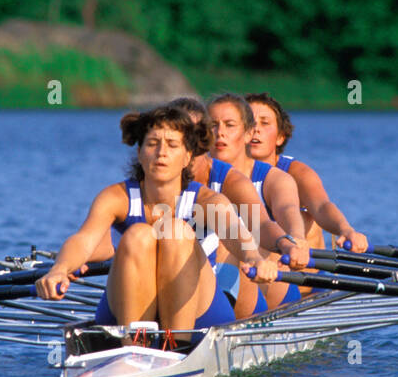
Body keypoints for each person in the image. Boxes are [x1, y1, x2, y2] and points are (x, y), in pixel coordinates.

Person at [35, 104, 278, 341]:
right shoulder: (116, 197)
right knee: (139, 234)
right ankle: (134, 346)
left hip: (200, 315)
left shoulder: (207, 200)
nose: (162, 152)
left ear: (187, 157)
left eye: (172, 145)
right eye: (152, 143)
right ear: (140, 153)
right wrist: (59, 269)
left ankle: (177, 343)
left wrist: (255, 259)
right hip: (125, 313)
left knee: (174, 231)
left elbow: (235, 233)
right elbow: (84, 240)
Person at [205, 93, 311, 309]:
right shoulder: (188, 176)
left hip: (266, 280)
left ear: (247, 134)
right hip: (206, 282)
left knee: (231, 234)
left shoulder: (275, 178)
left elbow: (287, 209)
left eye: (229, 125)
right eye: (213, 125)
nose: (220, 132)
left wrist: (296, 239)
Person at [246, 91, 369, 255]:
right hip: (243, 260)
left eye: (264, 123)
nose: (255, 129)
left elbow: (321, 206)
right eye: (249, 122)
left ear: (280, 137)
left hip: (293, 262)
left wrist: (346, 229)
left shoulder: (297, 173)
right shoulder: (220, 171)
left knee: (306, 220)